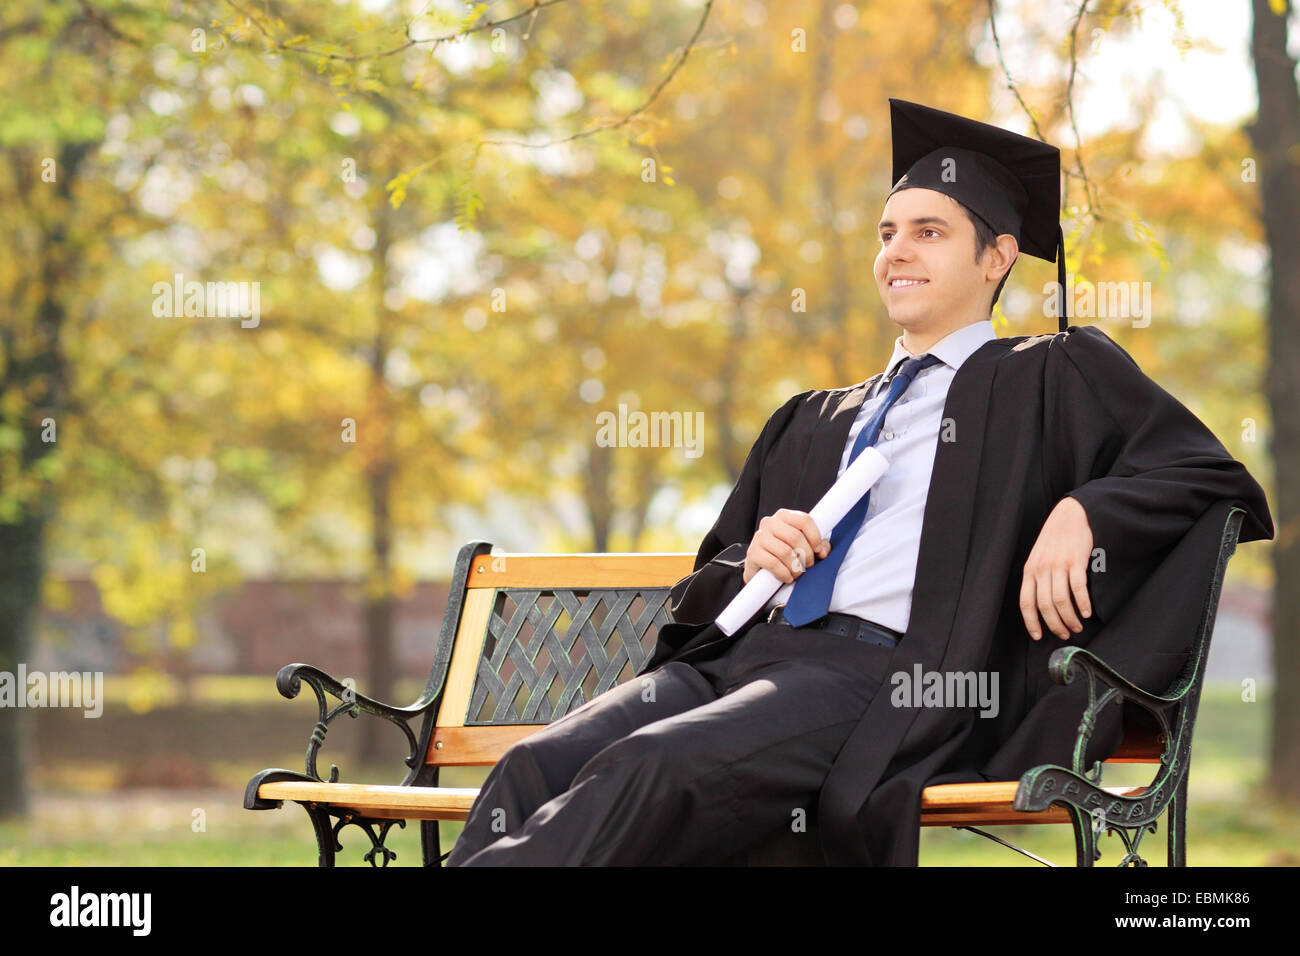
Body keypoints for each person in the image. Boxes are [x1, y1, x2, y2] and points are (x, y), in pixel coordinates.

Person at [444, 99, 1273, 866]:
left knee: (649, 768)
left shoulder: (1048, 376)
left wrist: (1086, 509)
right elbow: (708, 583)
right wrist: (751, 562)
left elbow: (1208, 473)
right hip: (738, 661)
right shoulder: (815, 417)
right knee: (531, 766)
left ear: (998, 256)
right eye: (885, 233)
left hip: (878, 679)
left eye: (928, 232)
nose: (896, 252)